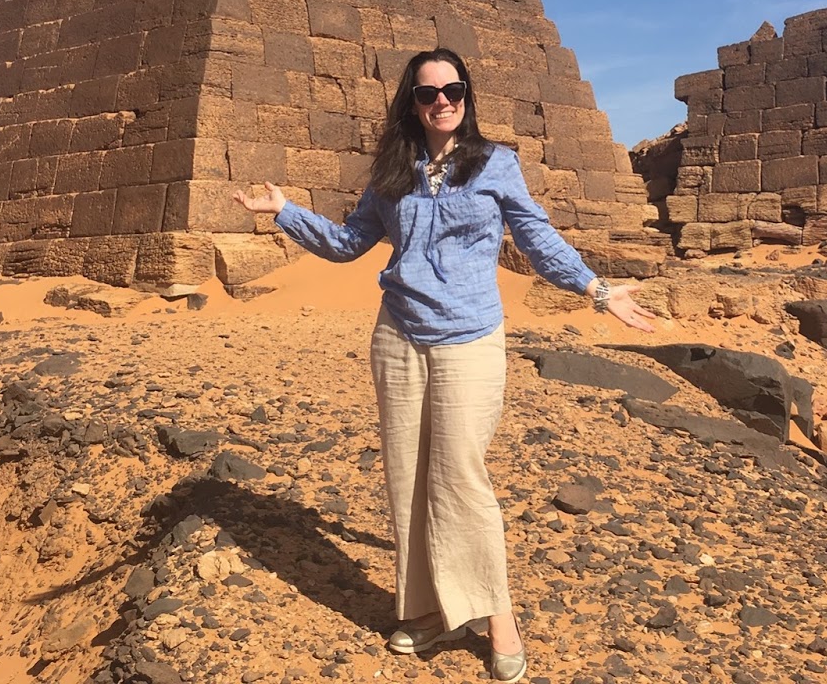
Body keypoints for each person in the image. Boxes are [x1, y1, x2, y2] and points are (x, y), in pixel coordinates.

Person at [232, 47, 655, 682]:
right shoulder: (392, 172)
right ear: (412, 101)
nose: (442, 102)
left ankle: (497, 614)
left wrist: (595, 289)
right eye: (428, 93)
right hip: (398, 335)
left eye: (453, 90)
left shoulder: (495, 164)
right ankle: (427, 610)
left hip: (468, 337)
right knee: (407, 479)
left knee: (461, 477)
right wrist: (285, 213)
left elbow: (536, 237)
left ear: (467, 95)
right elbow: (350, 244)